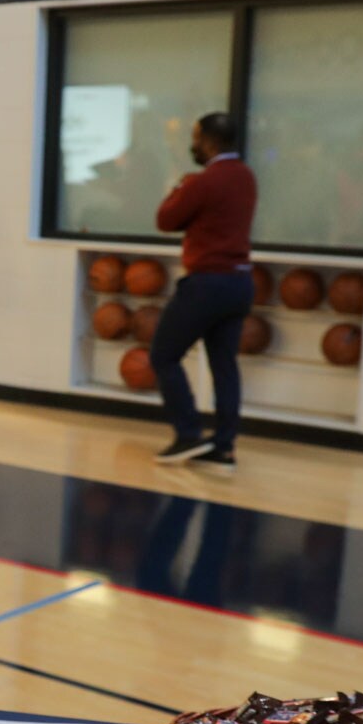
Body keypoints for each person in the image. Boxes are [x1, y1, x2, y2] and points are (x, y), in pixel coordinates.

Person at [150, 111, 257, 472]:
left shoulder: (202, 181)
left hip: (207, 283)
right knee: (224, 365)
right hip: (240, 282)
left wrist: (179, 188)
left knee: (163, 355)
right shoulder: (247, 177)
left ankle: (188, 434)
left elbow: (165, 220)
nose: (192, 145)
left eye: (195, 138)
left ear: (209, 141)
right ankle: (224, 449)